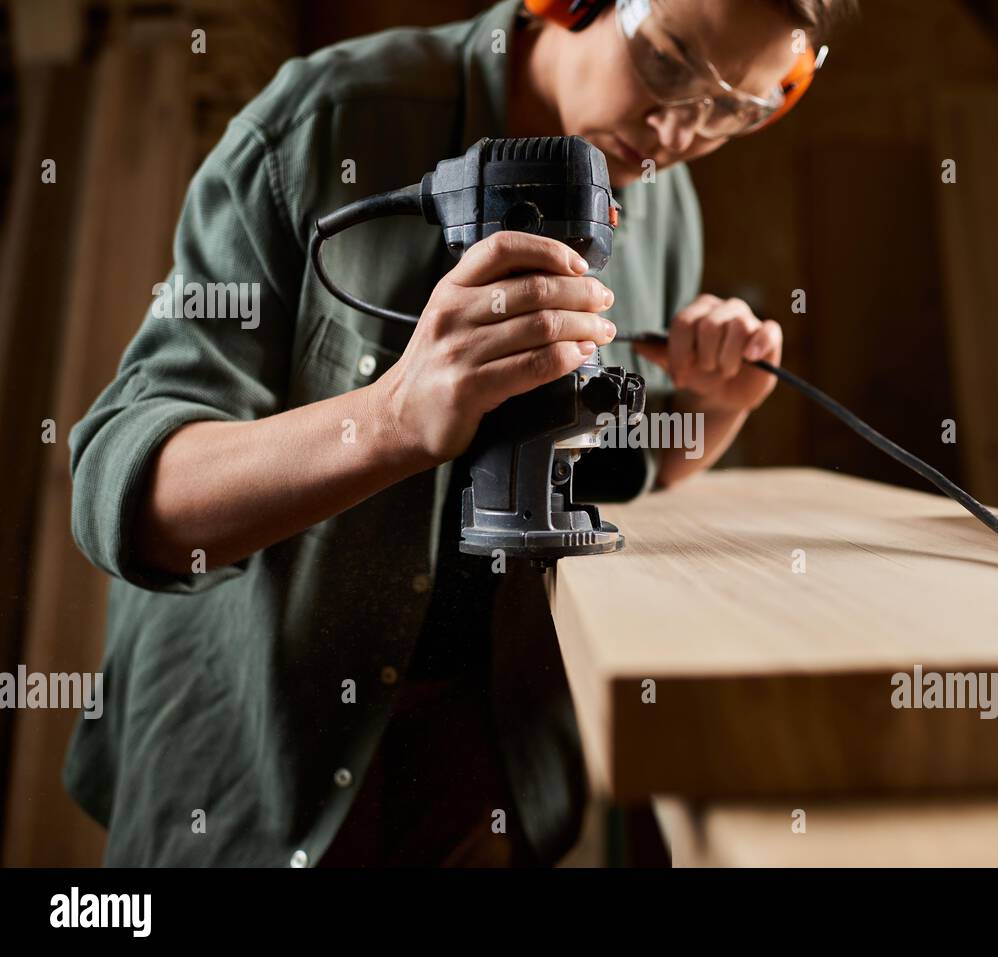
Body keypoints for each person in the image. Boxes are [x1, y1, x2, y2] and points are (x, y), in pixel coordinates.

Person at [64, 0, 852, 866]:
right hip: (258, 777)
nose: (675, 130)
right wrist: (392, 417)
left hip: (490, 781)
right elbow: (125, 495)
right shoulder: (329, 124)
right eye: (666, 64)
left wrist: (714, 408)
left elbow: (612, 474)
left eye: (732, 111)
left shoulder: (663, 204)